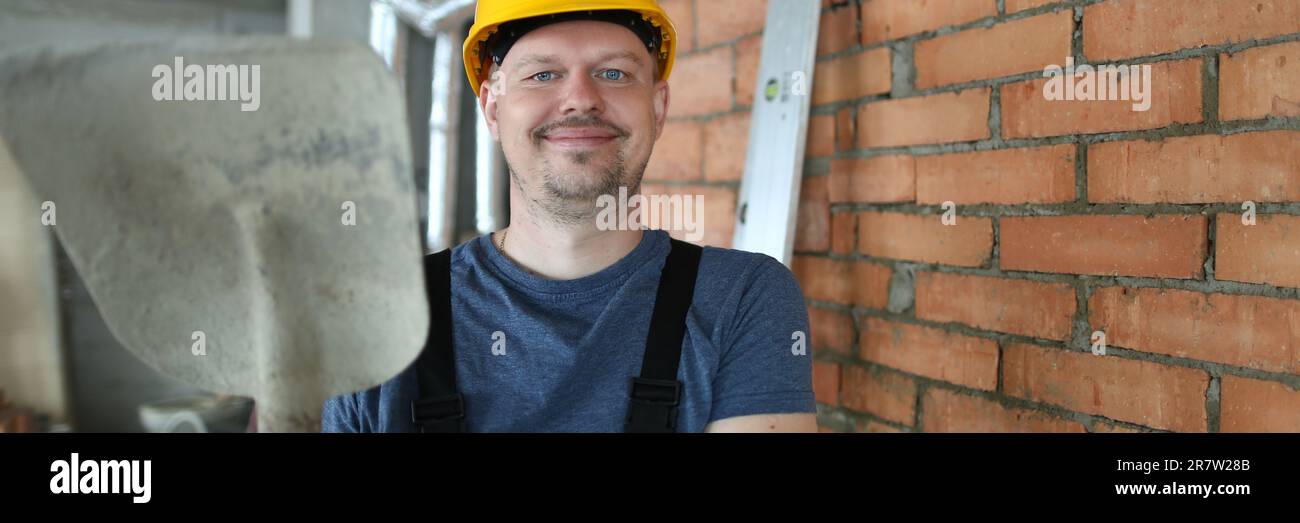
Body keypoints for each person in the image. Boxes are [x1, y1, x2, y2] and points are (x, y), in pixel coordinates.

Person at [321, 0, 816, 432]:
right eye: (543, 74)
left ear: (659, 107)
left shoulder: (742, 300)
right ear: (492, 109)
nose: (581, 98)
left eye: (614, 73)